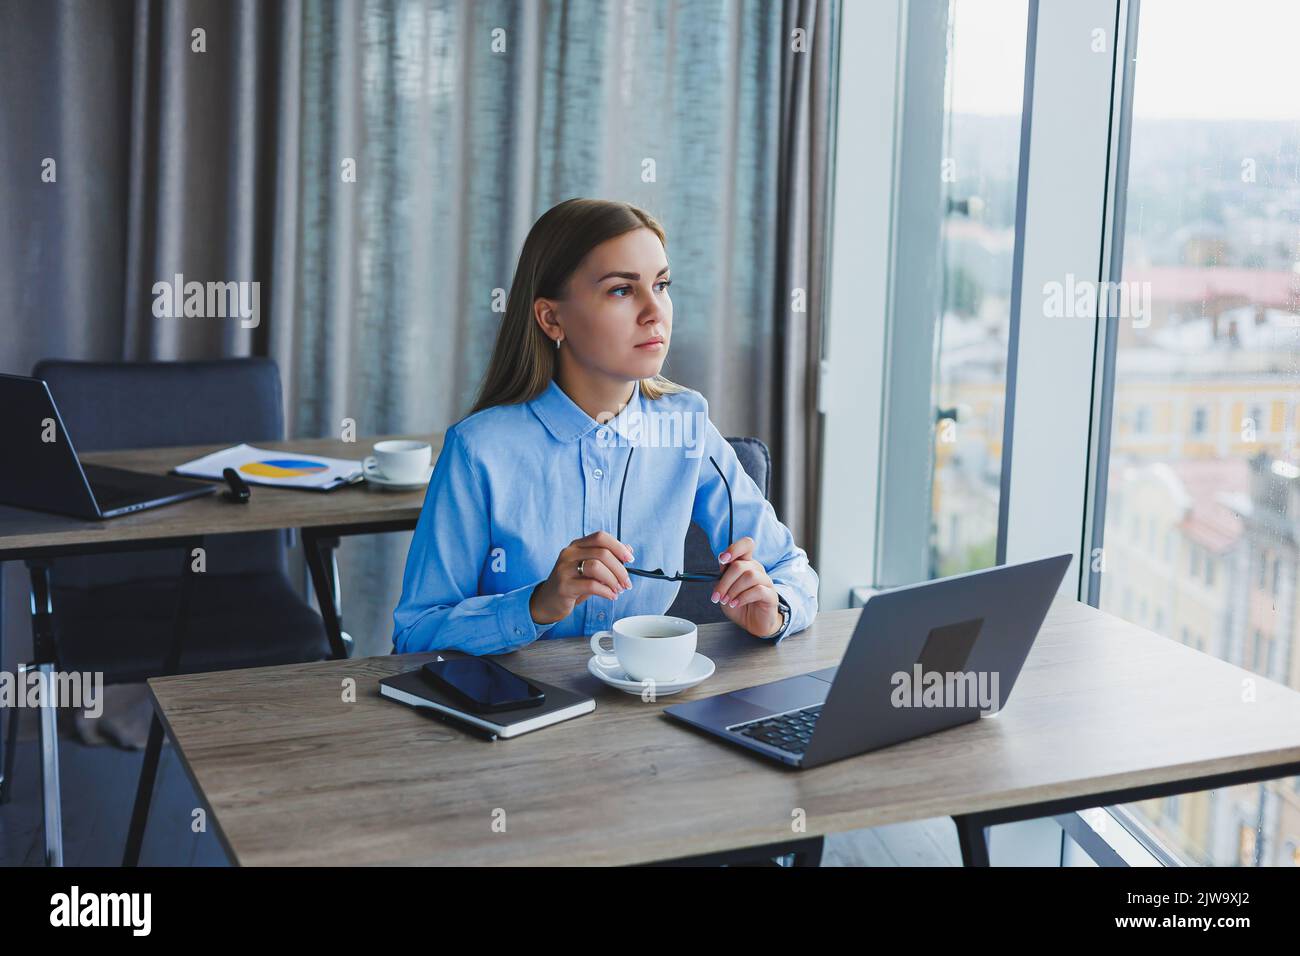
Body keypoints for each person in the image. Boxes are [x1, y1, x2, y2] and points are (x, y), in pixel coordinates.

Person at [392, 198, 818, 655]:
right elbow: (415, 634)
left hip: (646, 711)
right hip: (512, 716)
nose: (655, 311)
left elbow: (791, 569)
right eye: (622, 290)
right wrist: (535, 605)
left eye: (662, 284)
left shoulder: (687, 424)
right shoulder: (478, 451)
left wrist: (773, 610)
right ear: (552, 318)